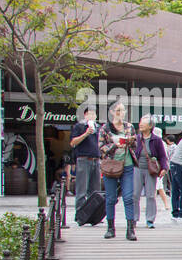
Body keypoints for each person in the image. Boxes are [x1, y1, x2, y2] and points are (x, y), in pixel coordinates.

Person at [100, 102, 137, 240]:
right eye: (118, 110)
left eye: (123, 110)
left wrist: (130, 141)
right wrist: (114, 146)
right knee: (110, 198)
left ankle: (130, 229)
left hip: (127, 165)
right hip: (111, 166)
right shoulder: (105, 128)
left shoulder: (130, 127)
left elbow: (135, 145)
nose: (121, 113)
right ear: (111, 112)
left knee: (128, 197)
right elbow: (101, 147)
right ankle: (110, 228)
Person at [130, 115, 168, 229]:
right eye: (140, 122)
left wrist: (164, 168)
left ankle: (150, 219)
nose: (140, 124)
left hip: (151, 170)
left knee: (151, 195)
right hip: (137, 168)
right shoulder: (136, 138)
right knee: (135, 195)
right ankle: (134, 219)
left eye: (144, 122)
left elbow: (162, 156)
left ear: (150, 126)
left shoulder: (156, 140)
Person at [69, 107, 101, 212]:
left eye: (94, 114)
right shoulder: (79, 127)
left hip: (96, 160)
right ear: (85, 115)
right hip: (83, 159)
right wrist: (86, 133)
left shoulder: (99, 128)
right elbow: (73, 143)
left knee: (95, 190)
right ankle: (80, 213)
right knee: (81, 189)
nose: (92, 116)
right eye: (89, 114)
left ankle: (94, 214)